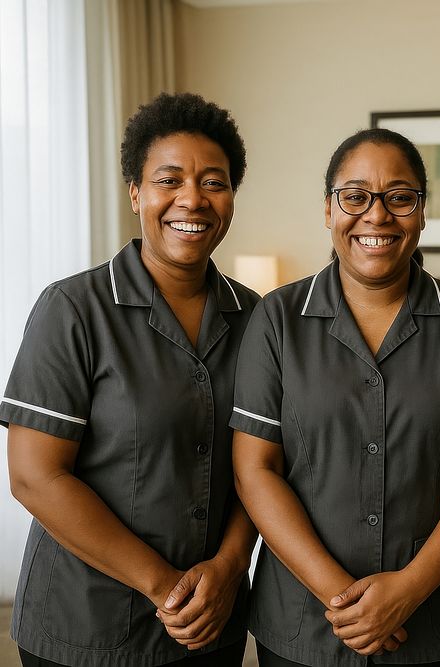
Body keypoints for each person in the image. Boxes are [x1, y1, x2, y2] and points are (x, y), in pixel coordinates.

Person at [230, 127, 440, 666]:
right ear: (328, 209)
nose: (377, 215)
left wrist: (409, 589)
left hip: (438, 621)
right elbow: (256, 469)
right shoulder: (276, 320)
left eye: (400, 197)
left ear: (422, 211)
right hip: (305, 623)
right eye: (355, 196)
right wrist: (342, 599)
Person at [1, 92, 258, 666]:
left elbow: (263, 466)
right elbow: (34, 476)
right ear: (137, 193)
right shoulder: (72, 309)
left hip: (212, 620)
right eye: (169, 180)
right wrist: (165, 585)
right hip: (87, 625)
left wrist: (228, 566)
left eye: (213, 182)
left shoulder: (258, 319)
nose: (192, 198)